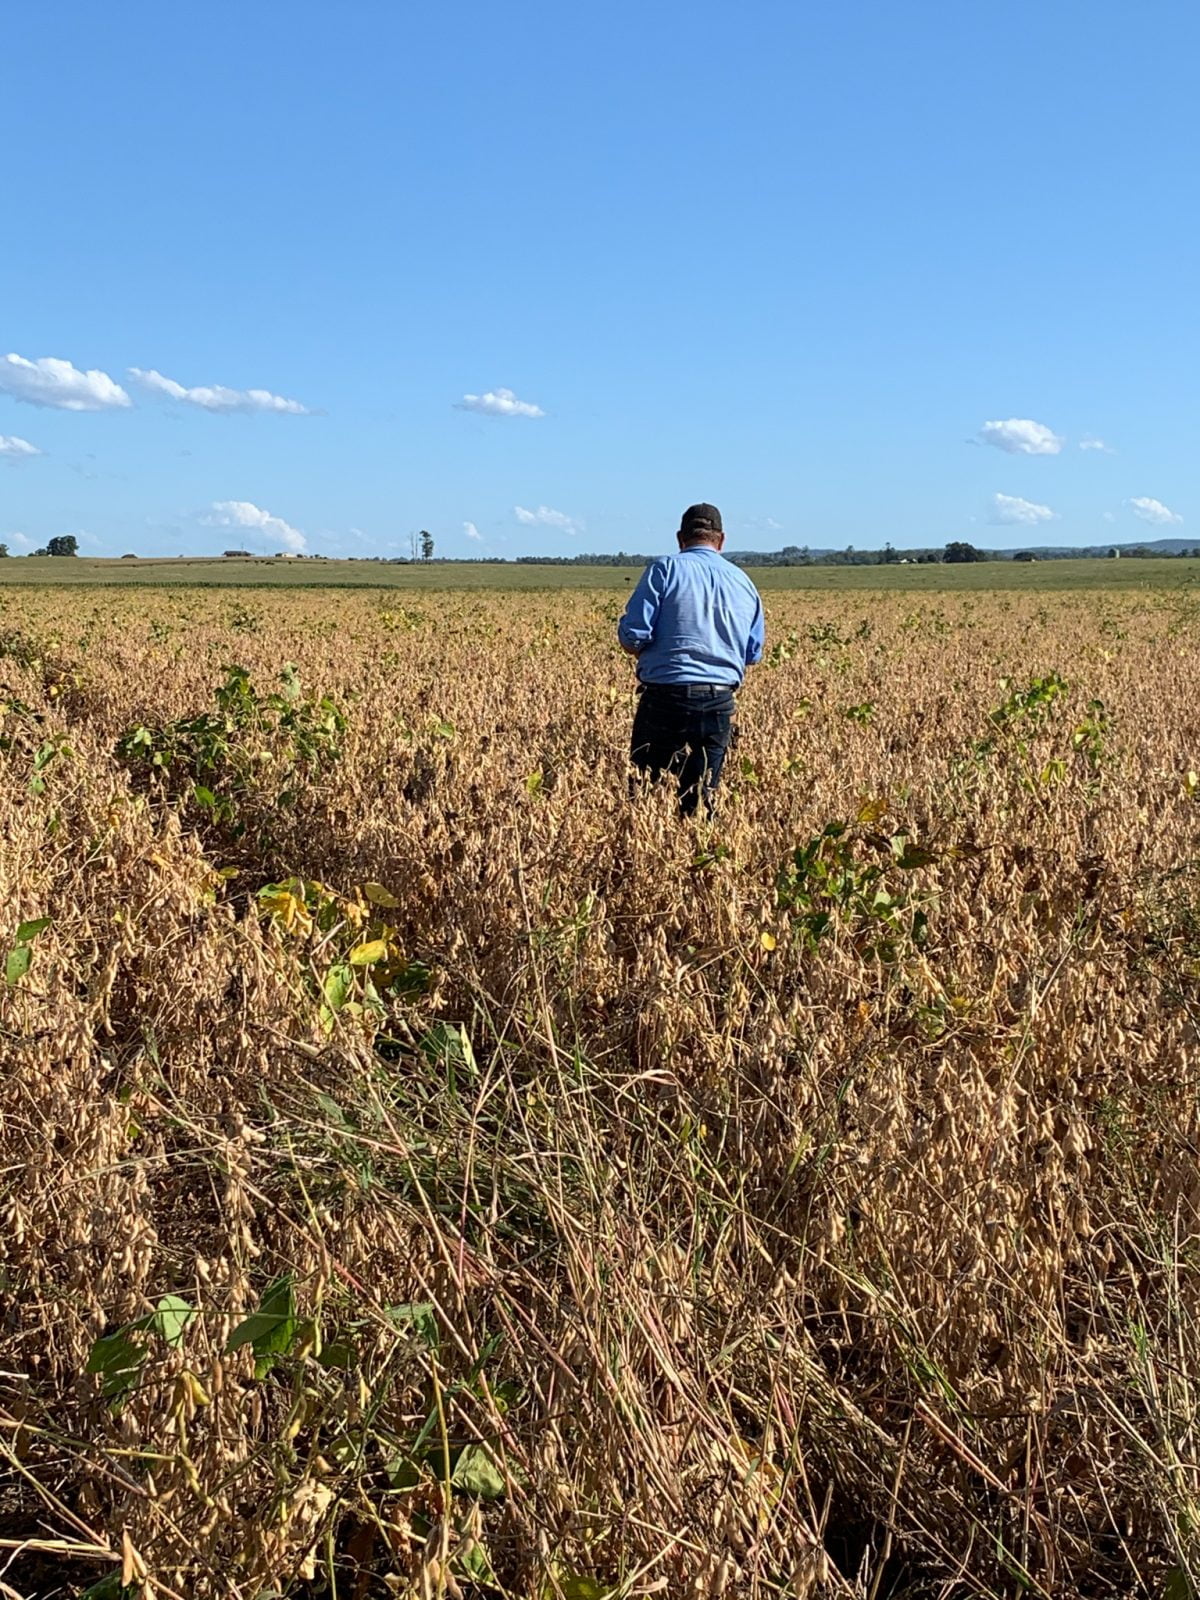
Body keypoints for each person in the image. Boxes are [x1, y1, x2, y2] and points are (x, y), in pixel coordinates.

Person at [618, 502, 765, 815]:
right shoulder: (744, 582)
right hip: (719, 702)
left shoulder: (664, 569)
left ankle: (649, 844)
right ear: (721, 540)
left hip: (664, 698)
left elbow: (633, 636)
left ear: (680, 538)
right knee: (700, 800)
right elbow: (752, 653)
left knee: (645, 796)